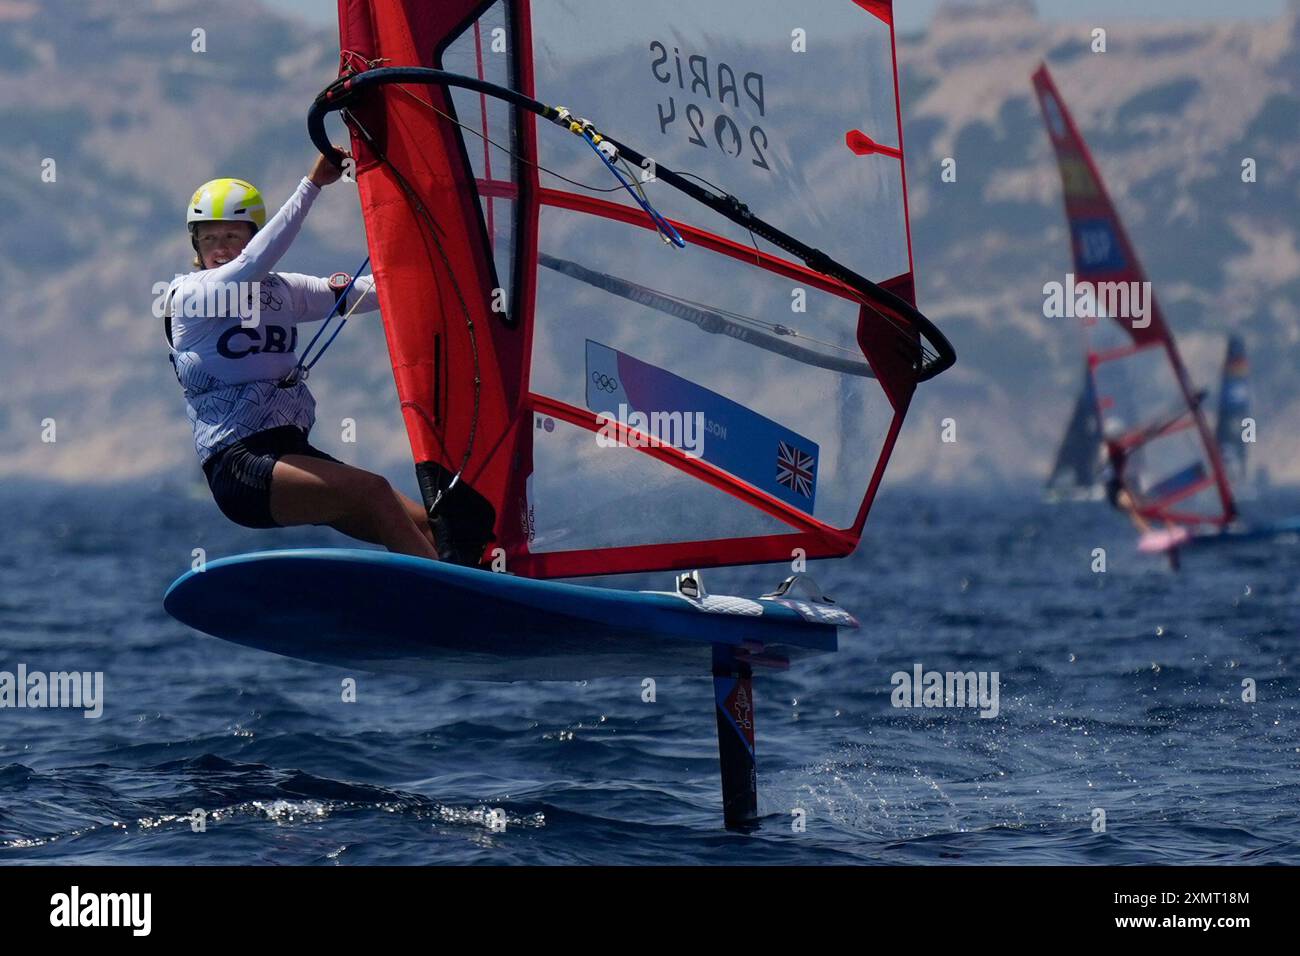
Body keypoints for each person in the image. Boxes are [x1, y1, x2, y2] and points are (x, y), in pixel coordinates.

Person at [163, 153, 440, 559]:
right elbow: (252, 264)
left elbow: (369, 292)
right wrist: (311, 186)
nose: (219, 249)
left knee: (425, 524)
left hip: (292, 451)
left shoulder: (283, 291)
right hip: (239, 466)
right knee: (373, 491)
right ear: (196, 245)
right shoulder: (190, 296)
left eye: (231, 236)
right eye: (209, 239)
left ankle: (477, 583)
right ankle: (447, 603)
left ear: (251, 234)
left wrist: (435, 258)